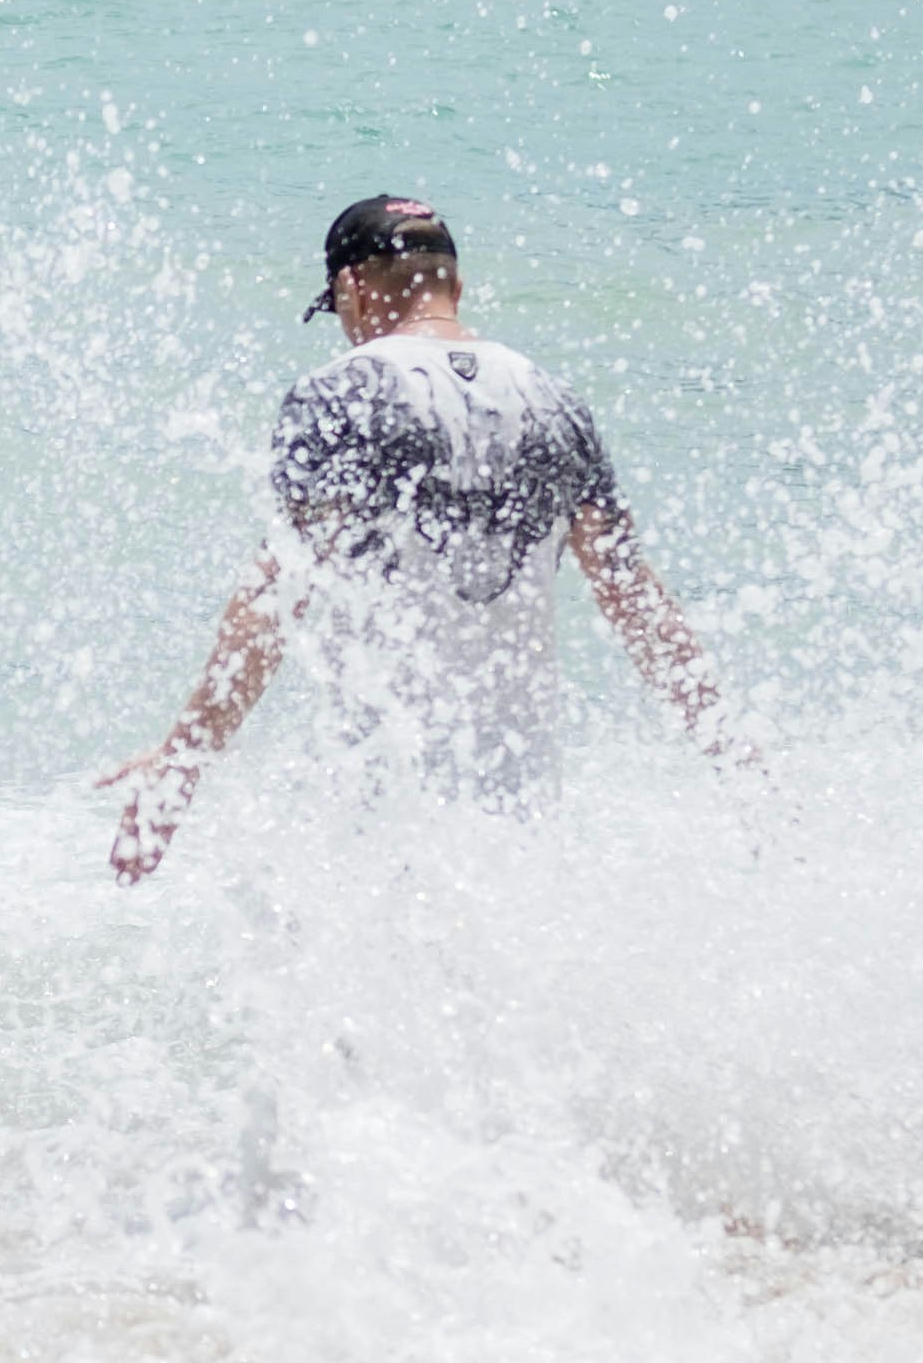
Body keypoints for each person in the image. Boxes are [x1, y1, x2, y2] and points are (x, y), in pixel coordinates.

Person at [99, 194, 744, 883]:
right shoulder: (557, 403)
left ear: (348, 286)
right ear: (455, 287)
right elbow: (637, 604)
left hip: (382, 812)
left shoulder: (339, 391)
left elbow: (273, 597)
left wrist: (184, 758)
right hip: (521, 820)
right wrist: (736, 759)